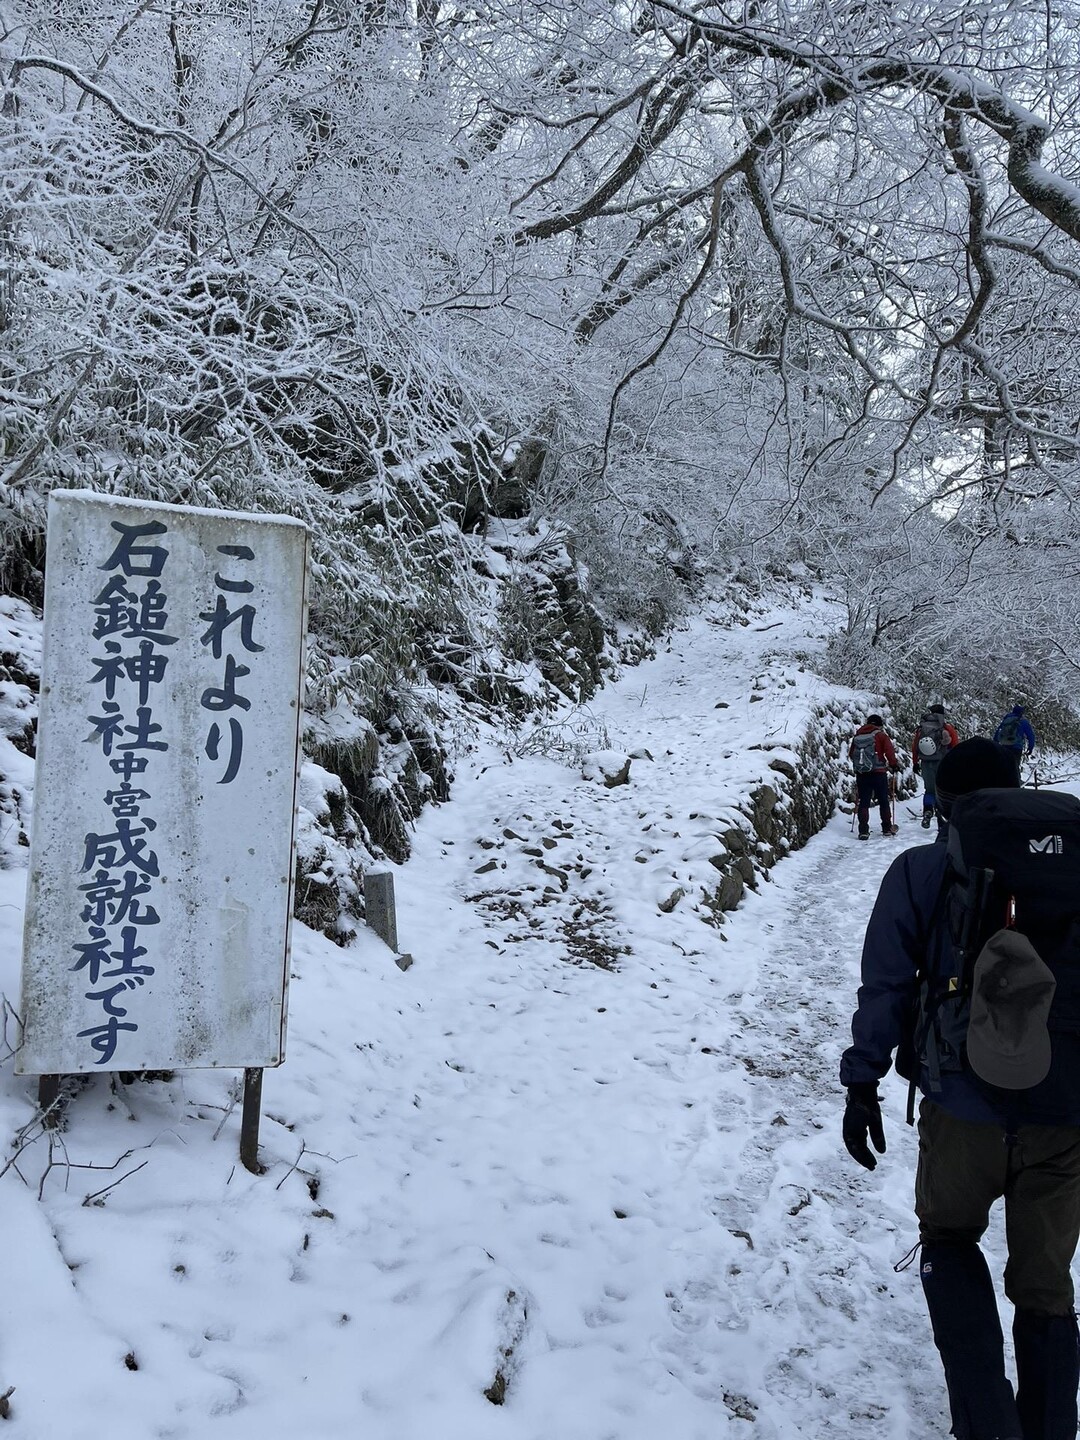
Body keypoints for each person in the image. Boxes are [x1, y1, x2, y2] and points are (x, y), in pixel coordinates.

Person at [840, 737, 1080, 1440]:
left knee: (949, 1239)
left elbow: (885, 984)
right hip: (1065, 1111)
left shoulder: (922, 871)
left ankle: (987, 1425)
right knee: (1045, 1285)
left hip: (962, 1102)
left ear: (944, 800)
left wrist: (863, 1083)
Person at [849, 713, 900, 840]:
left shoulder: (858, 736)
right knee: (883, 800)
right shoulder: (881, 736)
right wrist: (893, 765)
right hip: (879, 773)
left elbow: (851, 754)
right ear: (879, 725)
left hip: (862, 774)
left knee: (864, 802)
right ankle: (887, 828)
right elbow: (889, 751)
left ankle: (863, 831)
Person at [912, 702, 959, 829]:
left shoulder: (922, 728)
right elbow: (955, 745)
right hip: (943, 762)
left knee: (930, 790)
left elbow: (915, 746)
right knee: (943, 789)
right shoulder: (946, 727)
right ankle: (941, 816)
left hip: (926, 762)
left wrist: (915, 762)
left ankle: (928, 811)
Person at [993, 704, 1036, 780]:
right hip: (1016, 747)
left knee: (1004, 765)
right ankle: (1016, 784)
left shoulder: (1006, 720)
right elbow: (1030, 736)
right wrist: (1030, 747)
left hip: (1004, 745)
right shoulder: (1023, 722)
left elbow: (998, 733)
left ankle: (1002, 782)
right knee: (1015, 767)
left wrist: (995, 744)